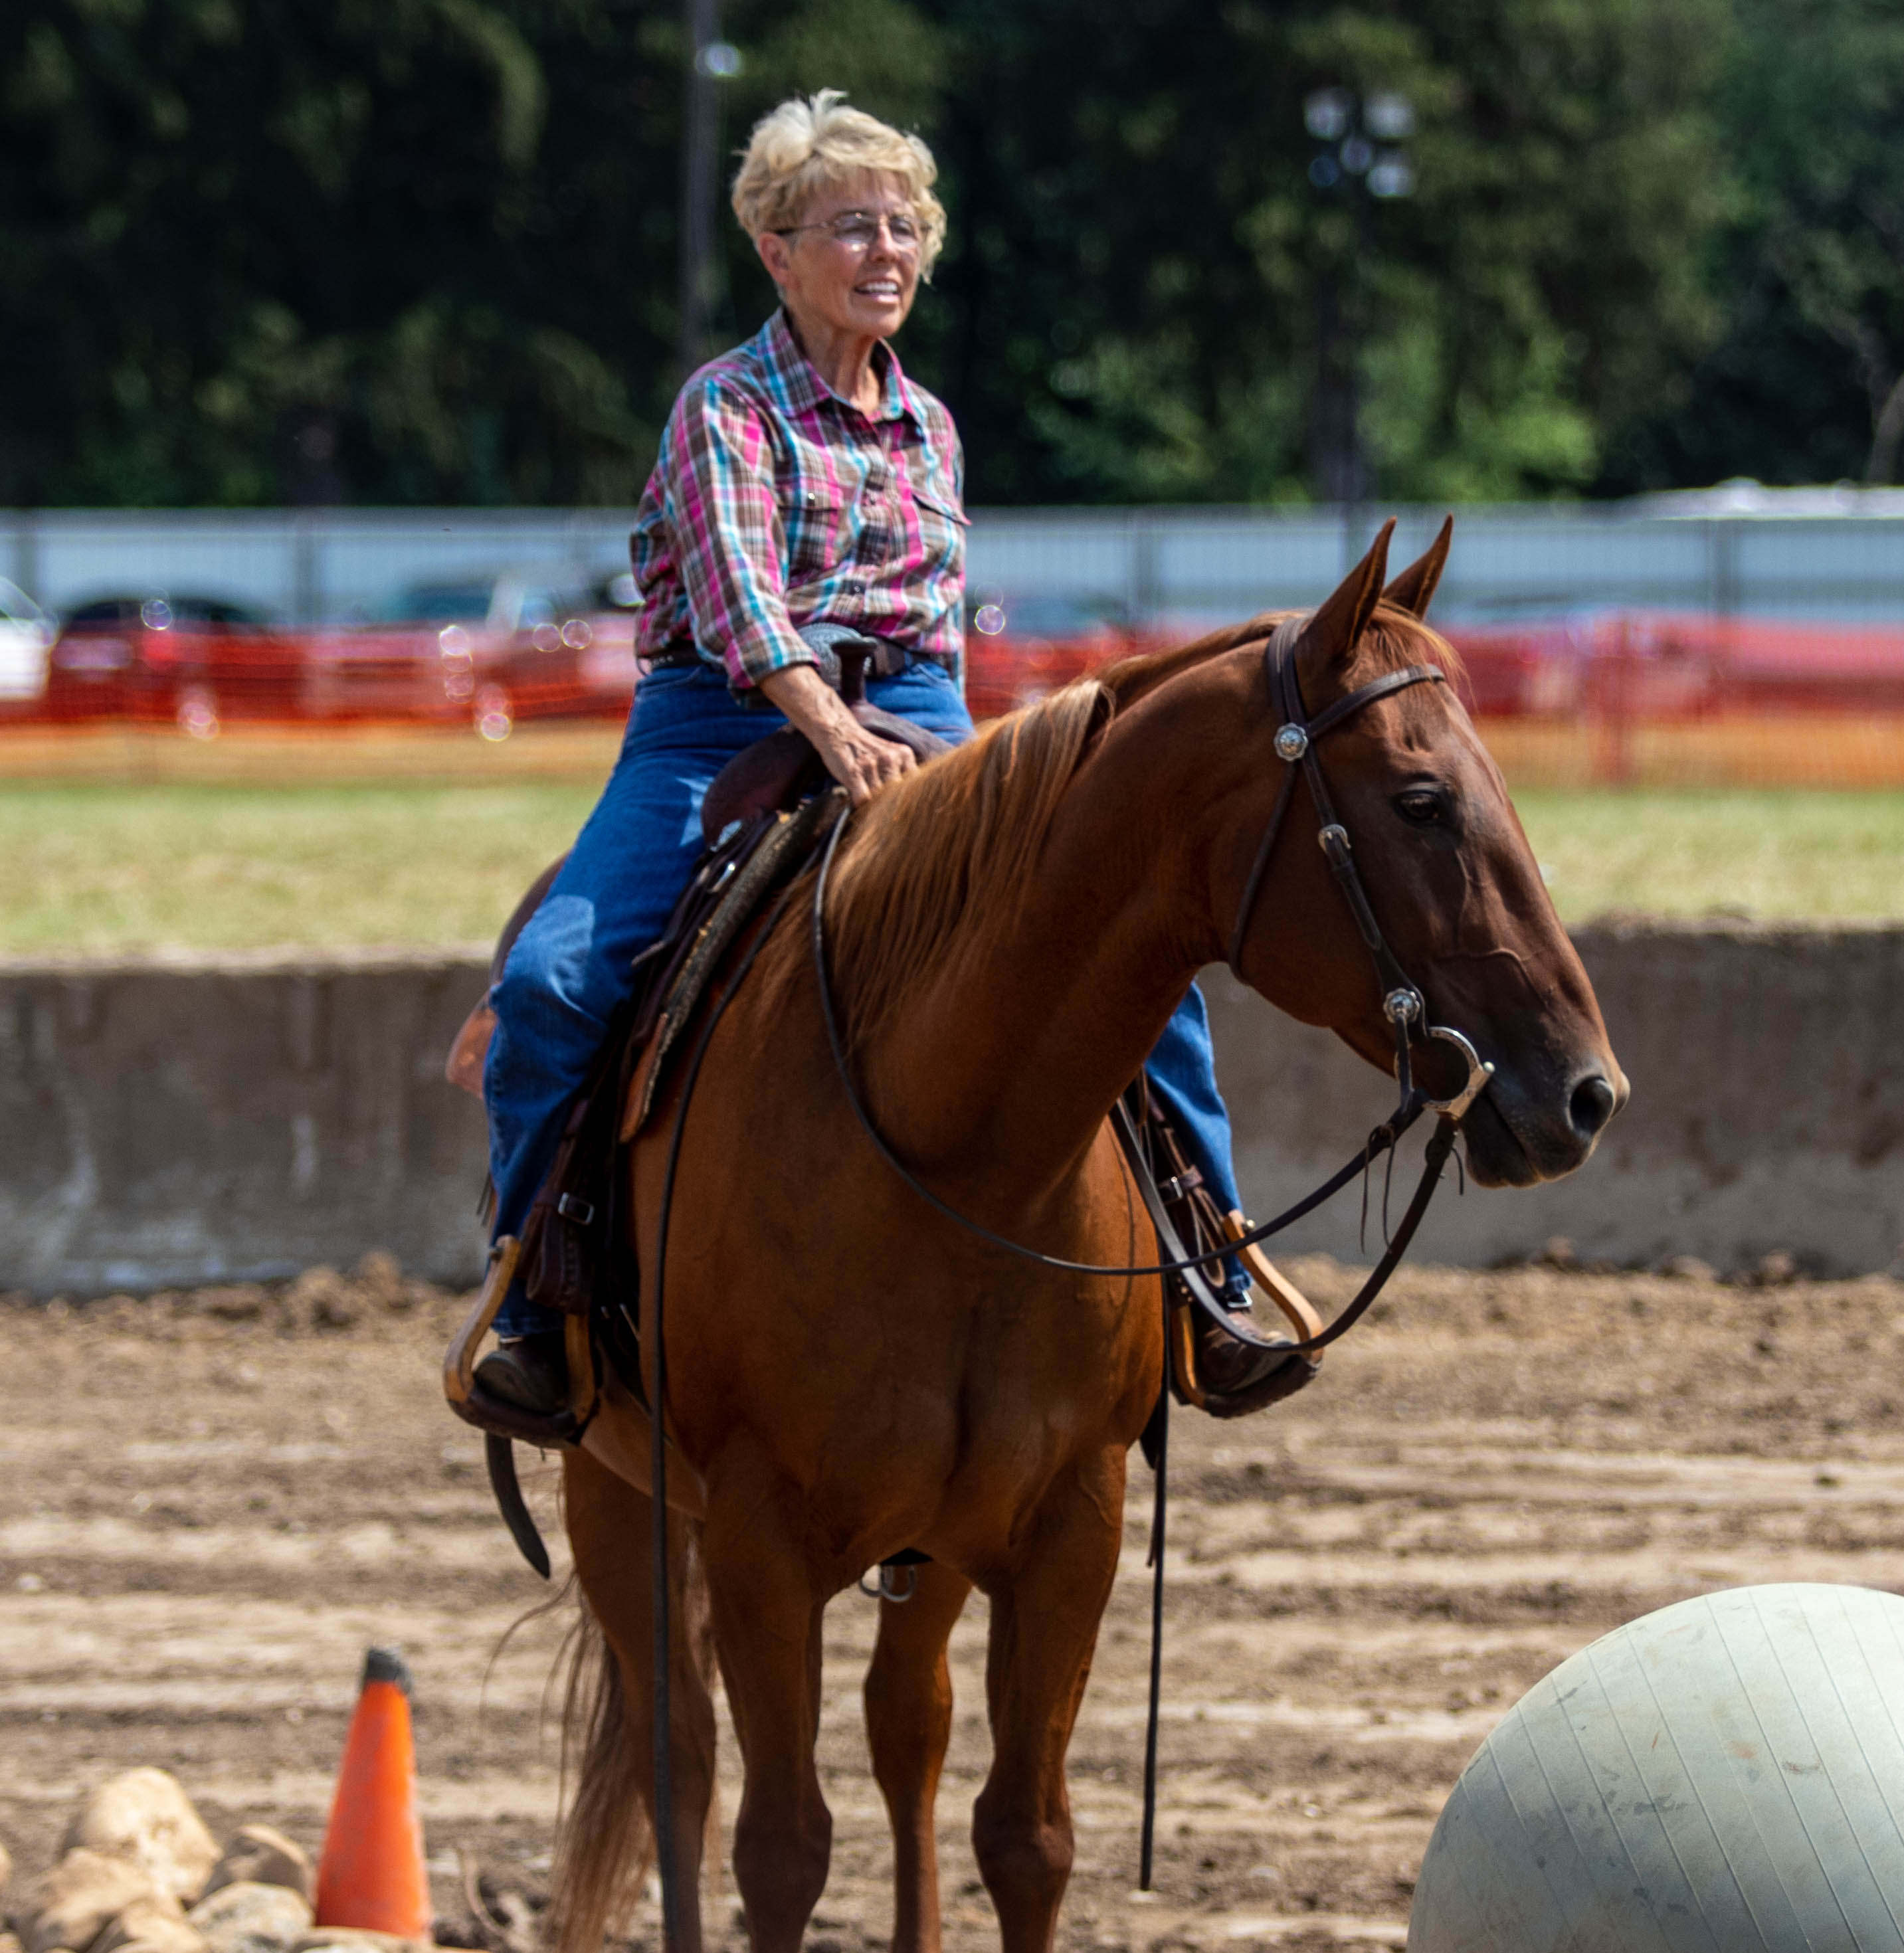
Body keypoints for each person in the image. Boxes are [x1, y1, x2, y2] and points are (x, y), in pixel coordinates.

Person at [477, 90, 1307, 1420]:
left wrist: (957, 760)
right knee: (553, 983)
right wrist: (831, 735)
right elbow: (743, 605)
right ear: (776, 250)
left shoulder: (931, 427)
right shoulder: (722, 408)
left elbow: (935, 627)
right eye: (853, 227)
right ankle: (537, 1300)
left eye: (906, 226)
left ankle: (1203, 1275)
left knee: (1133, 948)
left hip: (918, 710)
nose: (888, 253)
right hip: (719, 721)